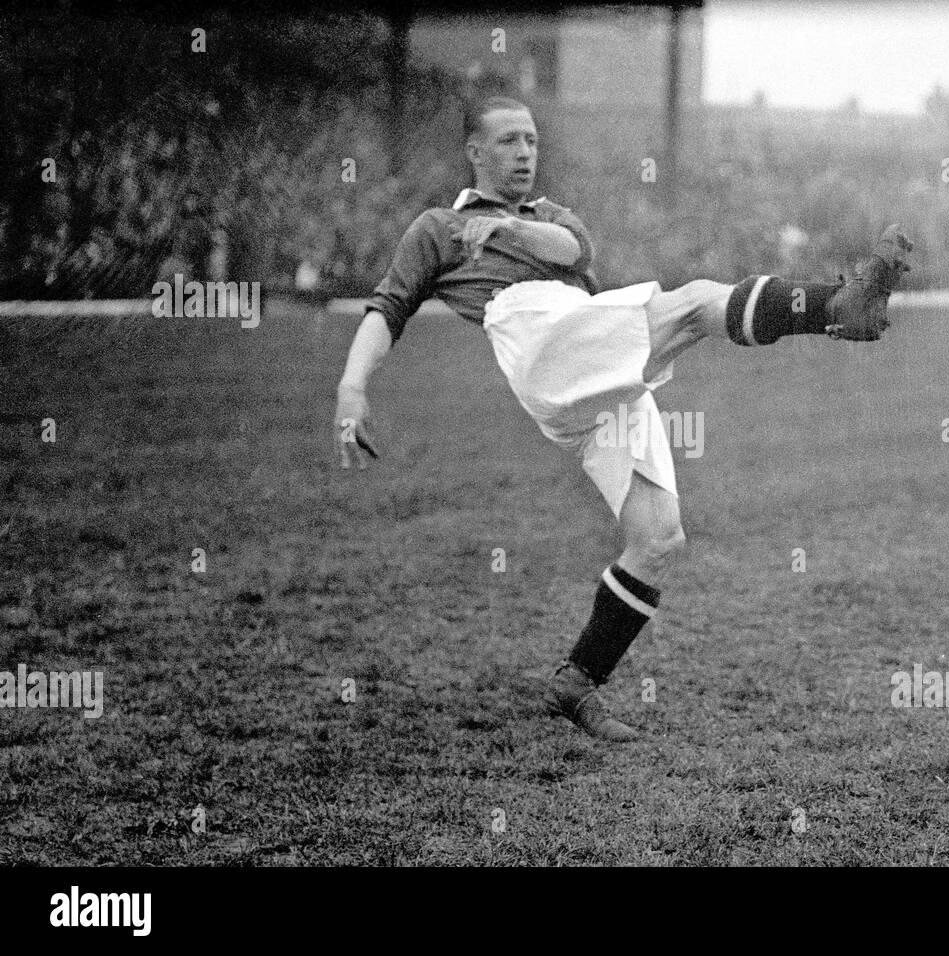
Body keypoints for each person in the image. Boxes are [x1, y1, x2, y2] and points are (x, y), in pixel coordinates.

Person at [333, 96, 912, 742]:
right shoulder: (438, 227)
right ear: (474, 152)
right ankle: (839, 305)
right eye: (508, 142)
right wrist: (353, 386)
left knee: (659, 536)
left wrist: (511, 230)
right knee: (693, 304)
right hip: (540, 338)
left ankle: (577, 682)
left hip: (590, 352)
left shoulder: (549, 218)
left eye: (531, 139)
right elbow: (387, 307)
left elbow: (574, 251)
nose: (525, 152)